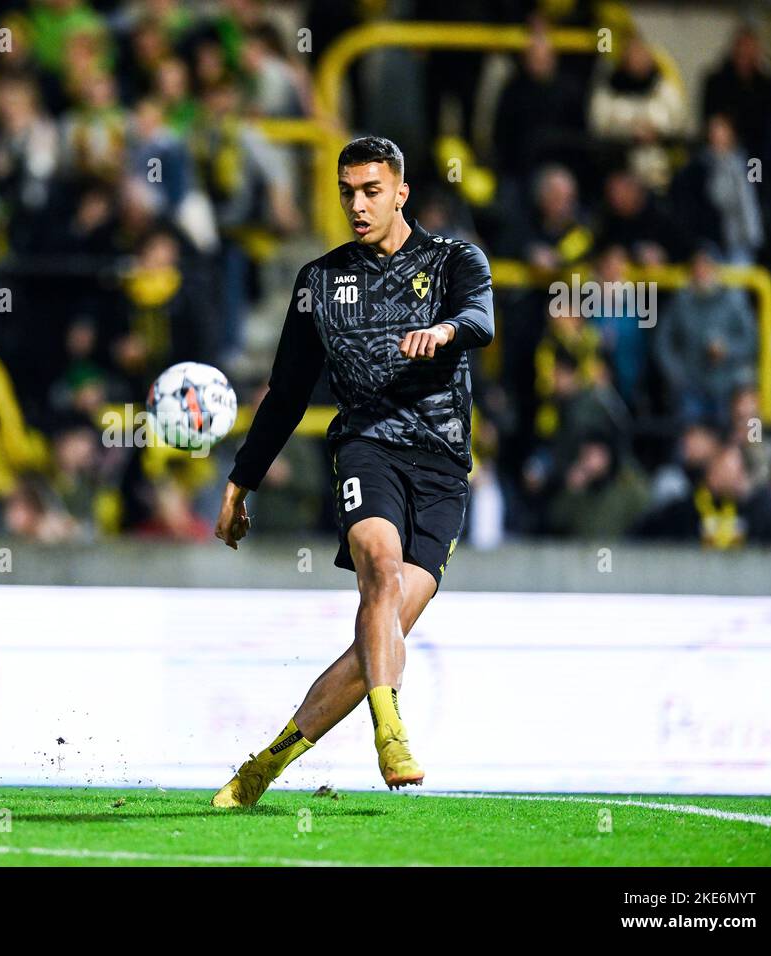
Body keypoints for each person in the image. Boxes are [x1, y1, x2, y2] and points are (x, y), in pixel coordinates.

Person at [211, 136, 493, 803]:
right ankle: (390, 734)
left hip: (444, 466)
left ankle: (265, 765)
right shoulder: (319, 284)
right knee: (380, 570)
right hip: (366, 444)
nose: (357, 206)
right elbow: (286, 393)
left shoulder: (454, 259)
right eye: (347, 192)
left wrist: (445, 332)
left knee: (382, 632)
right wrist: (239, 482)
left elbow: (480, 318)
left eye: (371, 191)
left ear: (401, 191)